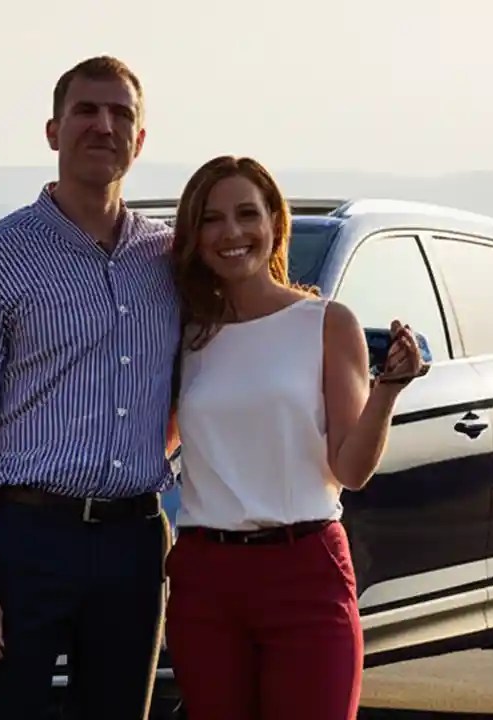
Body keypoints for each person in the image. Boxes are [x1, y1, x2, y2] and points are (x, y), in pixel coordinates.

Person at [0, 55, 179, 720]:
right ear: (53, 131)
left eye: (121, 114)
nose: (103, 125)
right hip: (23, 542)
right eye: (86, 111)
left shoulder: (170, 261)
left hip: (134, 541)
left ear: (140, 140)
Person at [162, 156, 426, 720]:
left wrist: (387, 390)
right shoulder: (183, 335)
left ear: (274, 224)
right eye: (212, 219)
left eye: (246, 214)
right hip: (205, 579)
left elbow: (350, 469)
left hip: (304, 569)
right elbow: (153, 445)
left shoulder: (327, 324)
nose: (232, 233)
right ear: (194, 235)